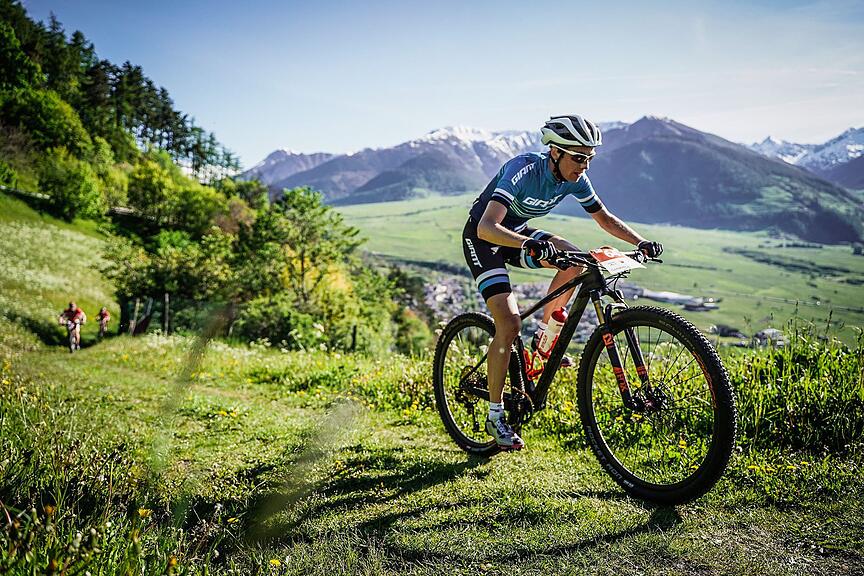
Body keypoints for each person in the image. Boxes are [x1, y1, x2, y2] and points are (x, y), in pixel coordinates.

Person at [461, 114, 664, 450]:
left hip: (519, 234)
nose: (584, 166)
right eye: (578, 158)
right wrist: (528, 244)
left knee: (576, 260)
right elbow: (487, 227)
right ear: (554, 152)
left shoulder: (574, 178)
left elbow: (604, 217)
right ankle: (496, 416)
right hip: (485, 238)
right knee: (508, 325)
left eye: (589, 158)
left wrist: (639, 242)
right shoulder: (523, 169)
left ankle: (545, 340)